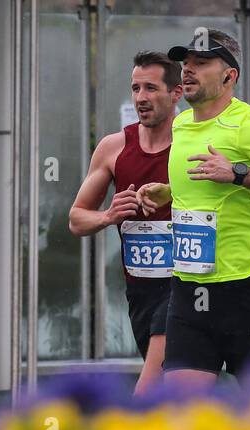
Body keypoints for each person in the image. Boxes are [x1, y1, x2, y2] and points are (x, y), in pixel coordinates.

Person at [135, 30, 250, 388]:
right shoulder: (182, 124)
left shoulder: (249, 123)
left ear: (229, 76)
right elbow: (207, 188)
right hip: (189, 290)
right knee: (181, 414)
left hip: (246, 293)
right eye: (185, 63)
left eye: (201, 63)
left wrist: (237, 172)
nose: (187, 70)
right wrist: (169, 193)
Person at [70, 52, 181, 394]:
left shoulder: (192, 144)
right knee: (174, 393)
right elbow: (76, 218)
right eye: (135, 88)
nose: (141, 98)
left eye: (151, 88)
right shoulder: (114, 147)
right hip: (140, 292)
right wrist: (108, 216)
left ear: (176, 93)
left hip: (185, 286)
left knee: (146, 392)